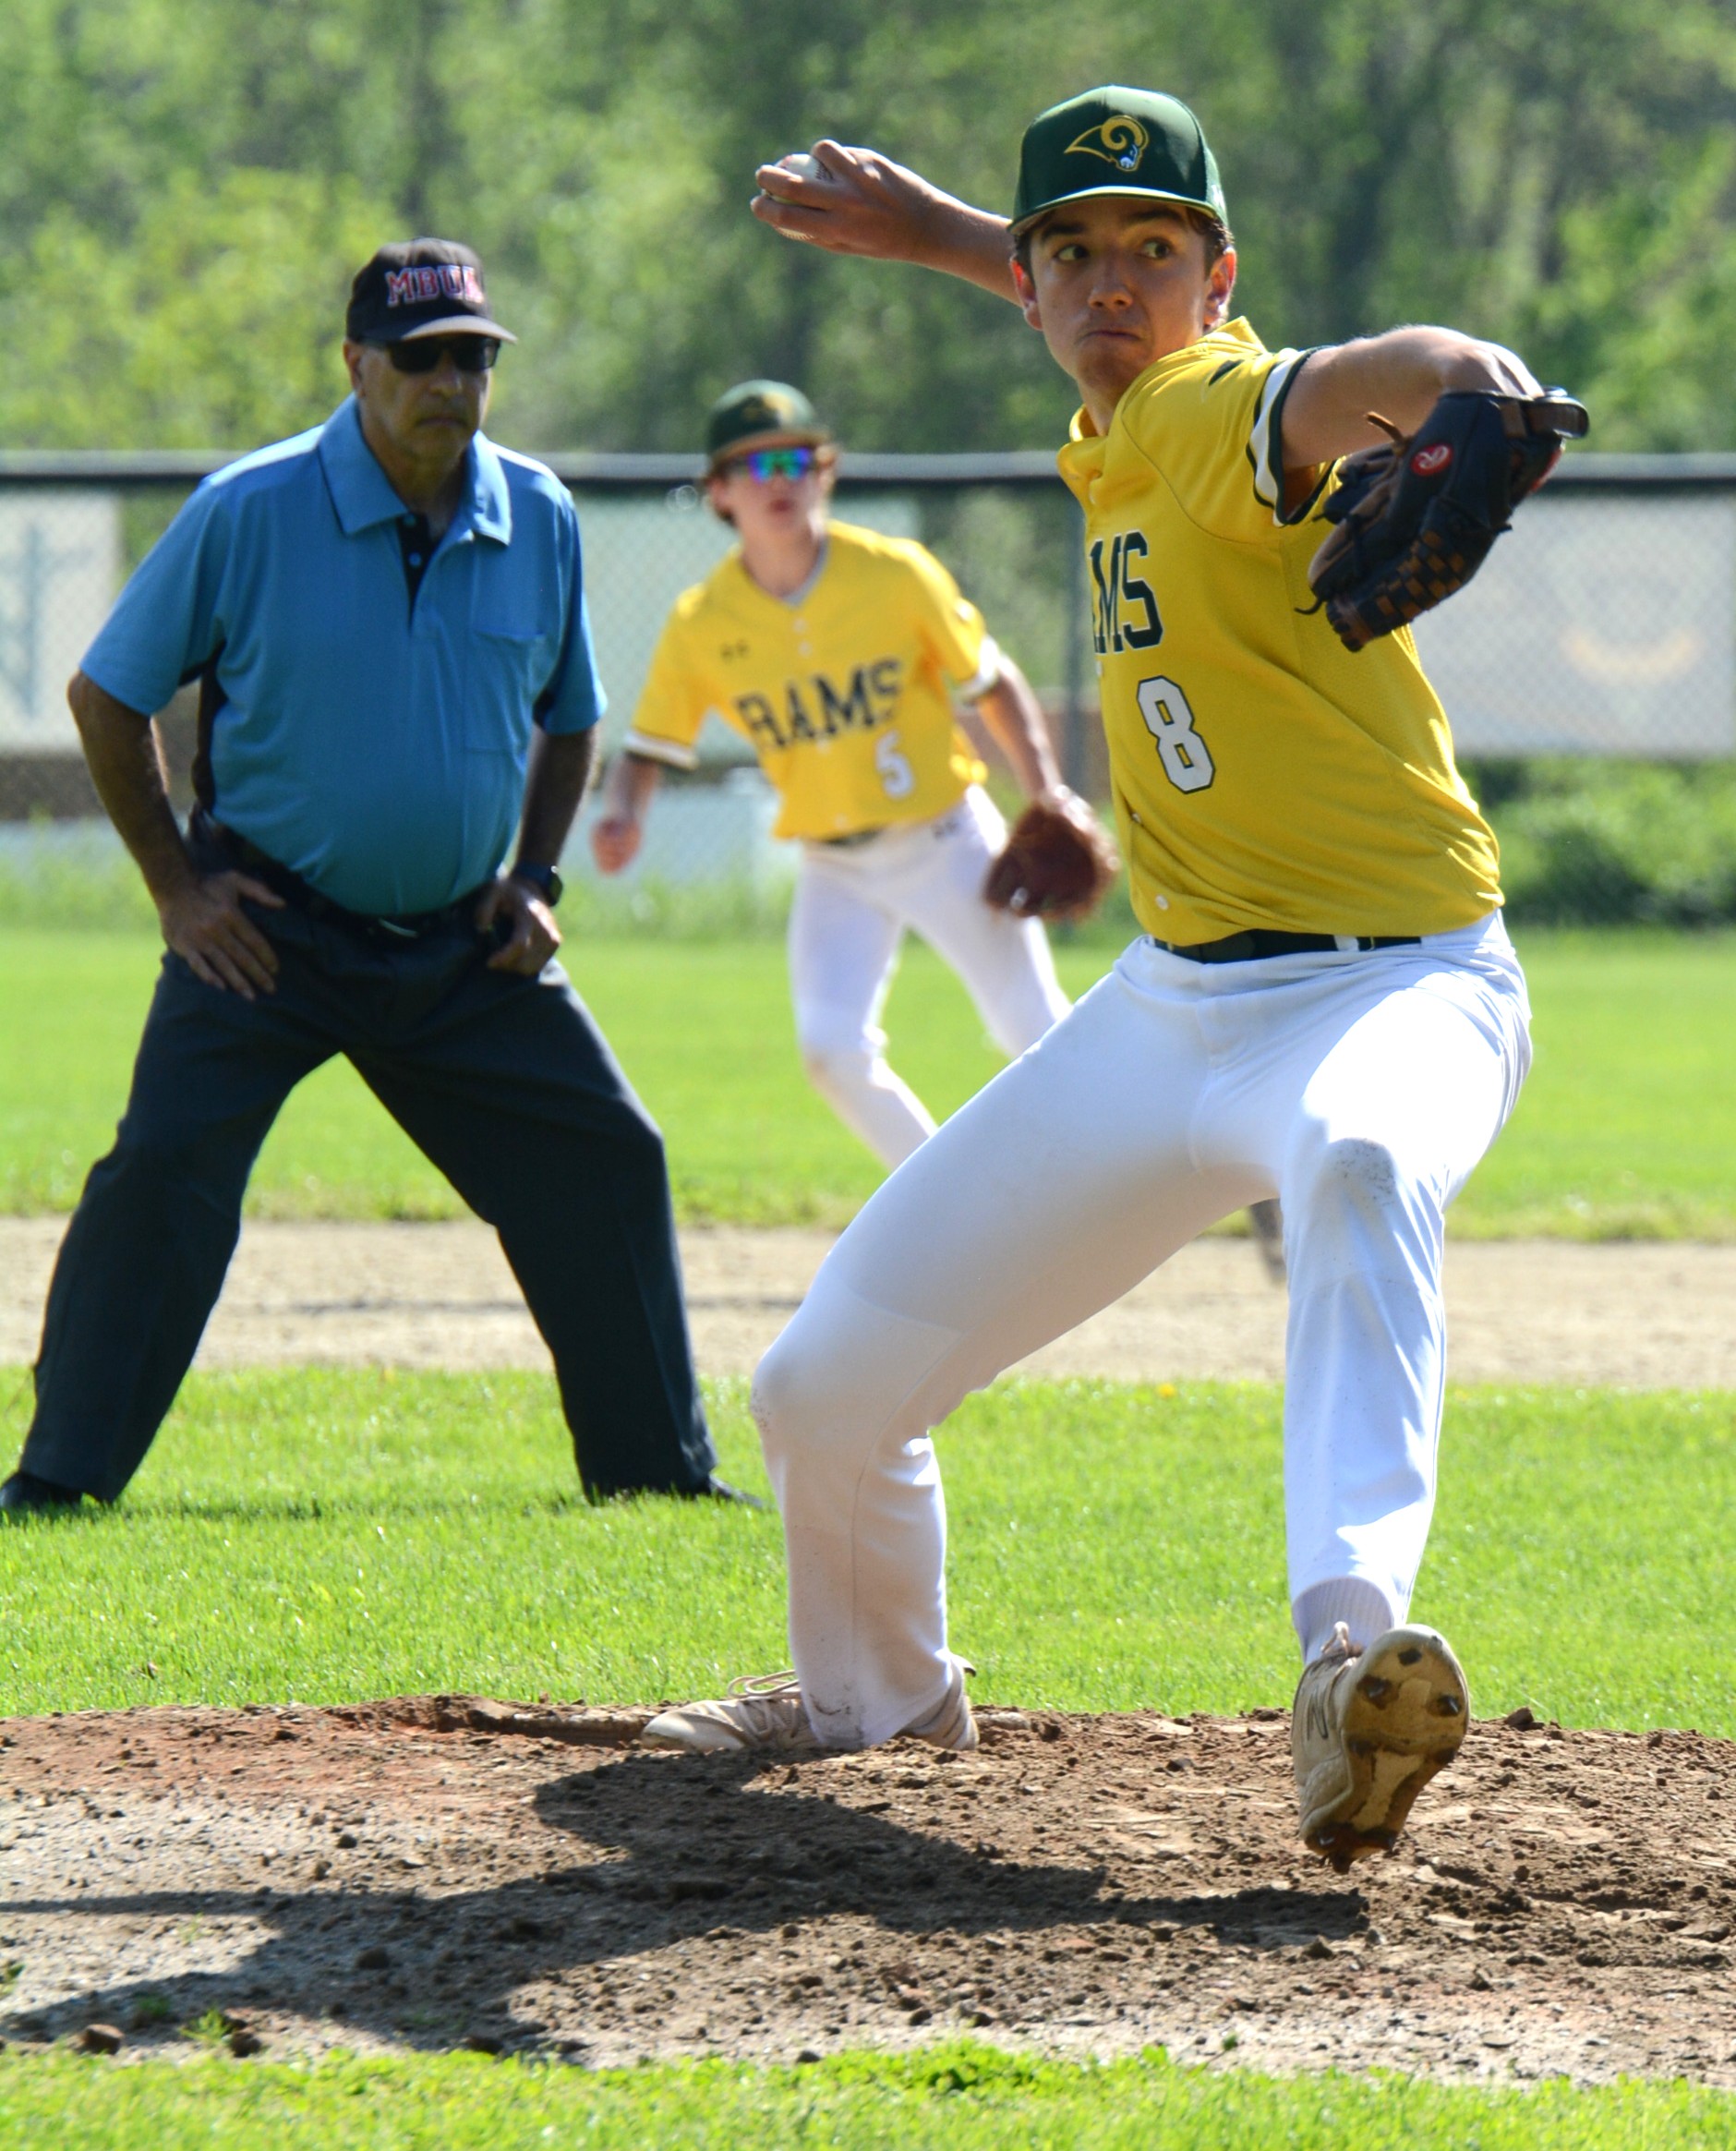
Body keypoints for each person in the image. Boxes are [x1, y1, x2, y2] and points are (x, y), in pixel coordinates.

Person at [645, 91, 1539, 1867]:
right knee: (821, 1391)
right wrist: (939, 233)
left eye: (1153, 249)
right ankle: (878, 1698)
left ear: (1224, 280)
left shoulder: (1212, 405)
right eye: (1069, 251)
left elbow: (1406, 369)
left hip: (1400, 986)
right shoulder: (1120, 412)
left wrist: (1478, 390)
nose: (1106, 283)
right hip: (1171, 1005)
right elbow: (1087, 303)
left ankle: (1348, 1666)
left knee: (1361, 1157)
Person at [1, 238, 742, 1516]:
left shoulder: (537, 513)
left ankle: (655, 1478)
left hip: (462, 942)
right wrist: (178, 891)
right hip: (267, 934)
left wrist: (536, 877)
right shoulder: (249, 507)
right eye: (419, 356)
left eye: (473, 358)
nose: (450, 381)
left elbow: (571, 718)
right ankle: (60, 1480)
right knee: (162, 1174)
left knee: (607, 1154)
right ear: (356, 364)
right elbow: (106, 695)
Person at [591, 381, 1072, 1169]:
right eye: (753, 466)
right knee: (830, 1050)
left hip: (946, 837)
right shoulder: (702, 621)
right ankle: (944, 1200)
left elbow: (992, 682)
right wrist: (624, 813)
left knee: (1038, 1030)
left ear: (826, 471)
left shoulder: (894, 573)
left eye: (794, 460)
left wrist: (1046, 790)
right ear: (718, 492)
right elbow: (649, 746)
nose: (777, 480)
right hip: (833, 864)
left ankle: (1169, 1180)